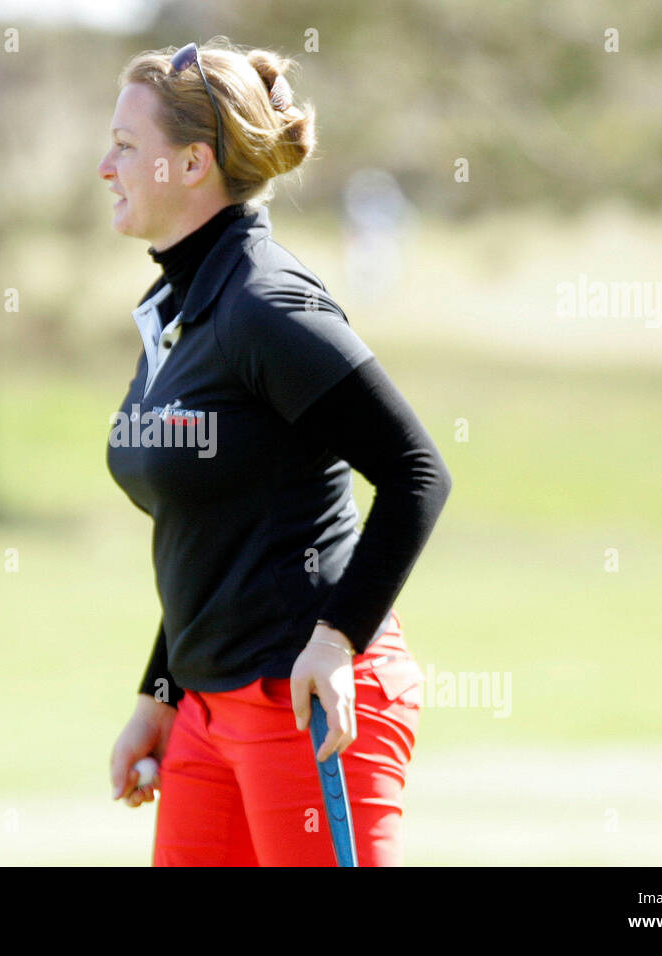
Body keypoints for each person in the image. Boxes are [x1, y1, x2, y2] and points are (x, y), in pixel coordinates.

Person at [99, 38, 453, 866]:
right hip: (205, 710)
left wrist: (336, 641)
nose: (106, 167)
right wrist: (161, 693)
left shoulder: (265, 305)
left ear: (192, 165)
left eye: (124, 146)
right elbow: (208, 521)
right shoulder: (177, 304)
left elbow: (417, 472)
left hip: (306, 701)